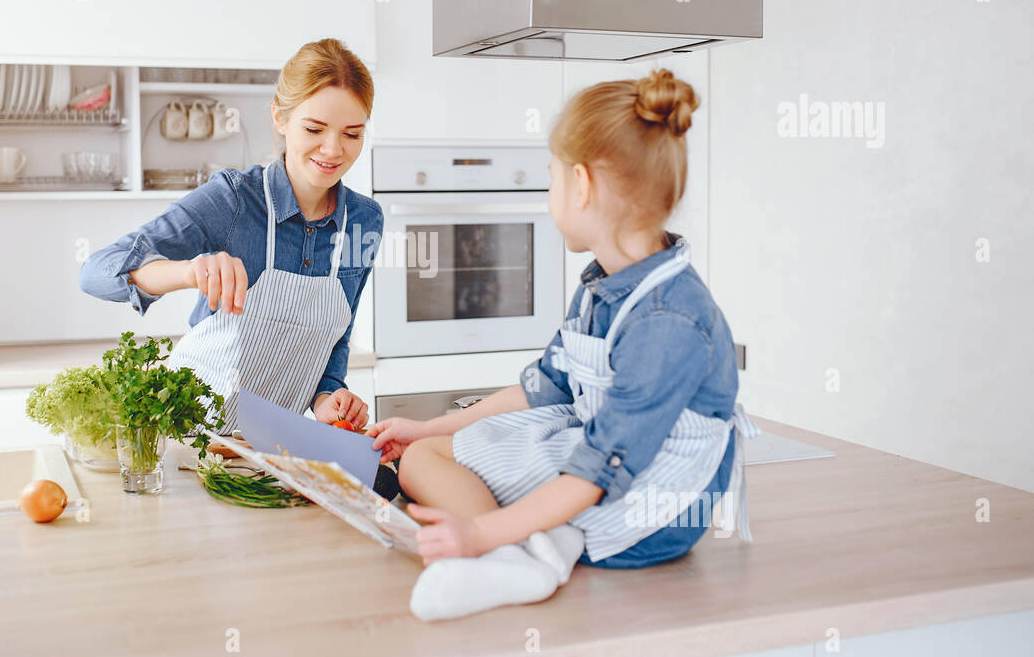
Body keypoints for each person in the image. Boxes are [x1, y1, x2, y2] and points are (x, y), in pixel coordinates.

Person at [366, 68, 758, 620]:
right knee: (419, 459)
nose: (549, 195)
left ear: (581, 184)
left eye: (550, 180)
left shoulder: (669, 320)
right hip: (600, 458)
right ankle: (517, 550)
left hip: (652, 507)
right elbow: (546, 384)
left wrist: (477, 532)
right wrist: (426, 429)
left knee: (461, 482)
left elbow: (601, 469)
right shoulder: (604, 284)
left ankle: (524, 560)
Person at [79, 39, 390, 490]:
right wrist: (188, 271)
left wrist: (328, 398)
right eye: (314, 129)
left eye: (352, 134)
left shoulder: (365, 221)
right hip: (190, 450)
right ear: (281, 119)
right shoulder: (234, 200)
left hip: (273, 457)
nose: (332, 149)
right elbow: (95, 272)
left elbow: (334, 341)